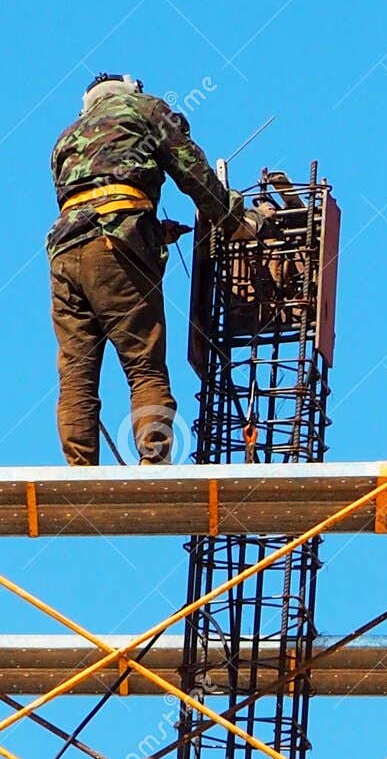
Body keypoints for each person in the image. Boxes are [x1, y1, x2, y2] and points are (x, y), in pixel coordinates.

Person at [46, 72, 259, 465]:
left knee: (77, 373)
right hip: (115, 245)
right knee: (144, 366)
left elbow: (91, 202)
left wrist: (154, 233)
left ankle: (78, 471)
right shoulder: (143, 109)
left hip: (65, 253)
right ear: (131, 91)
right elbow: (191, 171)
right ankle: (154, 461)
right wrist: (232, 218)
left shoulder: (65, 138)